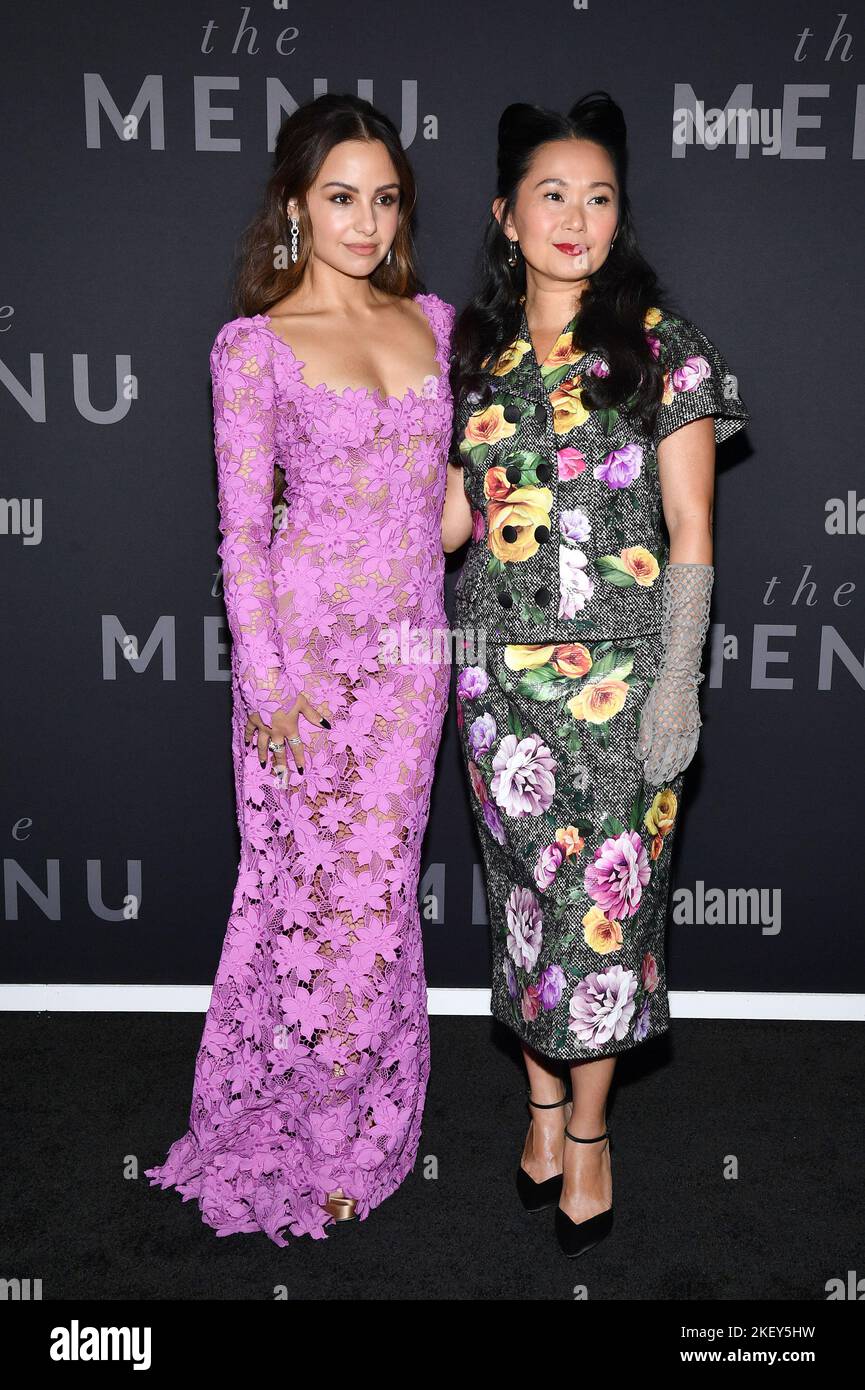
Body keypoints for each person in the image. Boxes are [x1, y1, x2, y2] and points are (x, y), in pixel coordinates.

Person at [442, 91, 750, 1258]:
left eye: (599, 195)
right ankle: (533, 1107)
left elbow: (691, 528)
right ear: (506, 216)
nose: (576, 216)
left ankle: (588, 1134)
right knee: (527, 911)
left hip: (621, 689)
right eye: (551, 194)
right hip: (492, 687)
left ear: (621, 217)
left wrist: (678, 684)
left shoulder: (664, 345)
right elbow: (452, 523)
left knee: (607, 920)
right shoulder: (466, 355)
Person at [146, 93, 455, 1244]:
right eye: (340, 197)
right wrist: (268, 686)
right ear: (294, 204)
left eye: (383, 198)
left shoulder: (433, 320)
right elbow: (242, 534)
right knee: (304, 899)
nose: (365, 220)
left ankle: (356, 1125)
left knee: (373, 905)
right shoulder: (254, 346)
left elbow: (448, 511)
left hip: (411, 664)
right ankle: (301, 1126)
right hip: (305, 671)